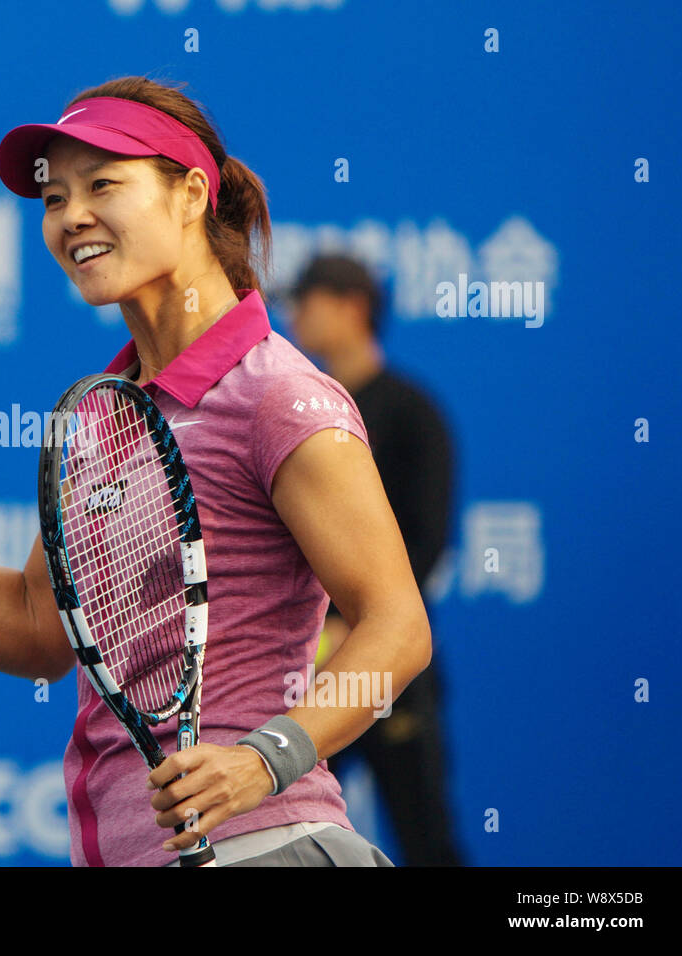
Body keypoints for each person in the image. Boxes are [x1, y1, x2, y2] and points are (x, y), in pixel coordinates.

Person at [0, 76, 431, 867]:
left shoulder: (279, 396)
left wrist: (265, 759)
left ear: (191, 194)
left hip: (268, 846)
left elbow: (398, 626)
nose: (72, 217)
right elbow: (37, 627)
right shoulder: (96, 417)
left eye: (103, 185)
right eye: (54, 198)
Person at [286, 254, 465, 866]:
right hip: (302, 678)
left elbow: (426, 539)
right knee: (284, 831)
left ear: (353, 307)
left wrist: (354, 625)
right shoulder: (294, 414)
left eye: (306, 301)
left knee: (424, 836)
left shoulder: (414, 413)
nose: (292, 316)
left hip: (390, 672)